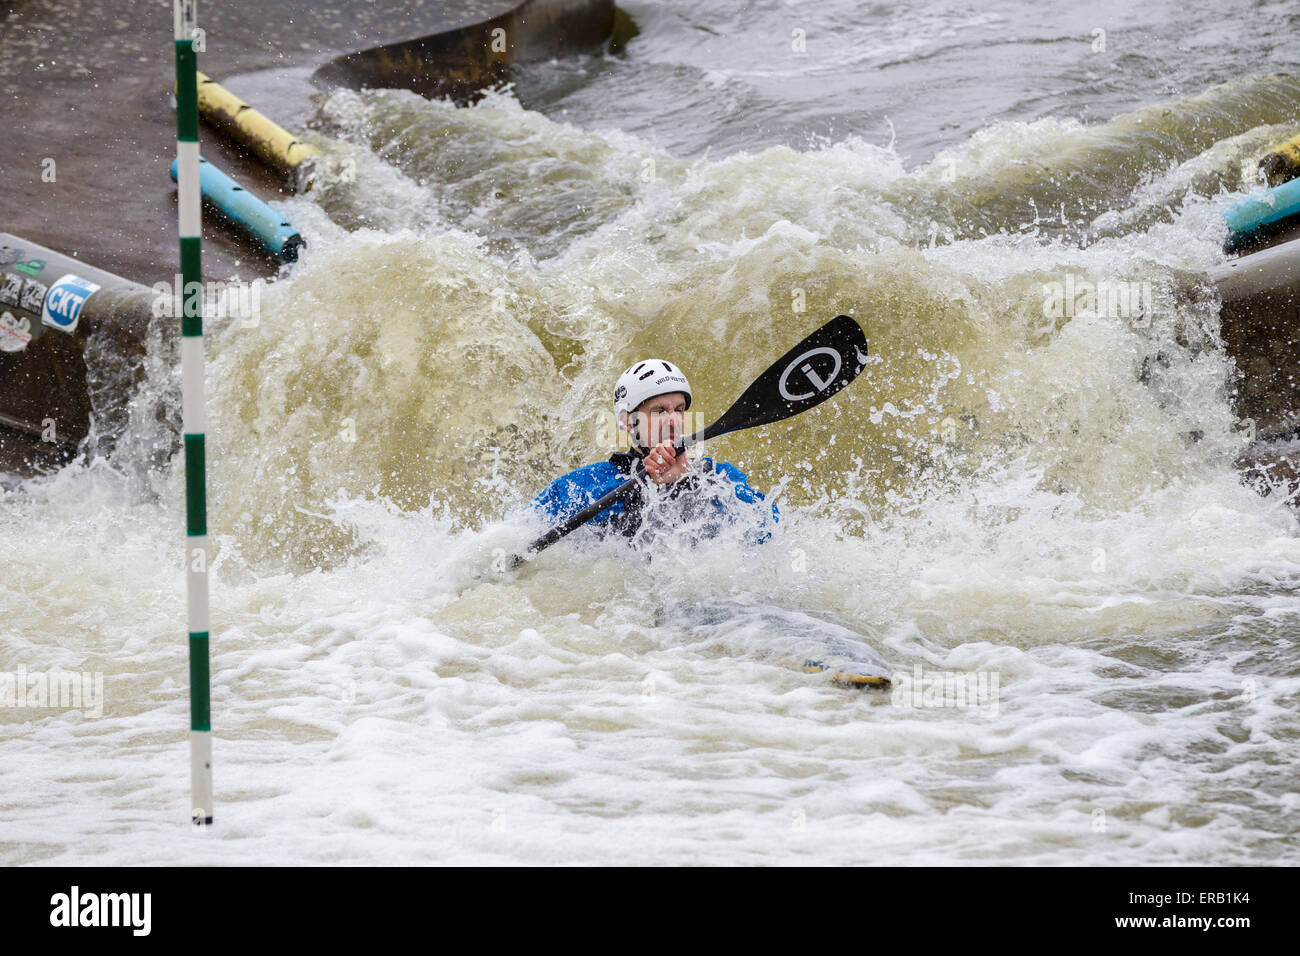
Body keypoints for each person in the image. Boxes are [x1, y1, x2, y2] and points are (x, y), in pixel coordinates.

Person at [531, 359, 778, 543]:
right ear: (629, 422)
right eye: (660, 411)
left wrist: (687, 482)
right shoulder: (583, 486)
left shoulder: (717, 477)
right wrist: (644, 491)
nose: (674, 421)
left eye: (679, 409)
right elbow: (513, 536)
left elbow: (770, 531)